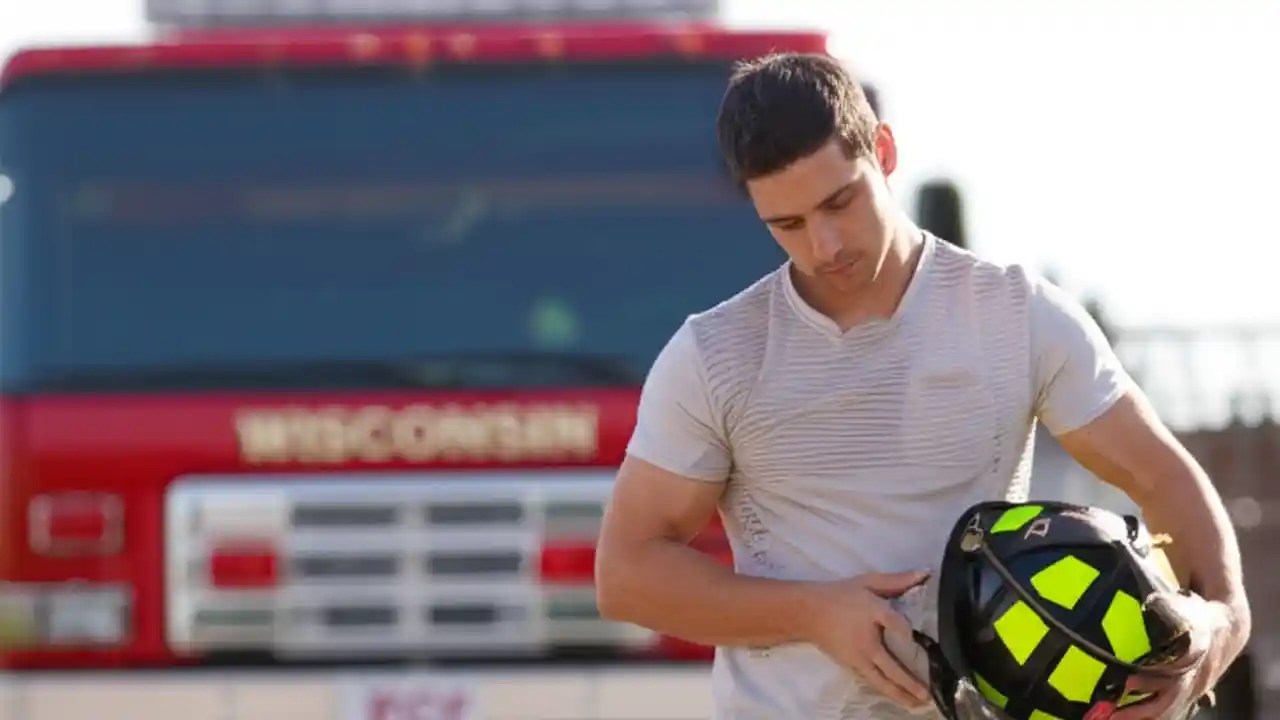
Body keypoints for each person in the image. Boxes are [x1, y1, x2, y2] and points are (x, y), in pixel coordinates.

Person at [592, 52, 1252, 720]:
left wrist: (1219, 624)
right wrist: (813, 612)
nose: (823, 246)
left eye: (839, 201)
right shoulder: (715, 354)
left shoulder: (1017, 315)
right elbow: (628, 575)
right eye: (786, 225)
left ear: (882, 149)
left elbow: (1162, 477)